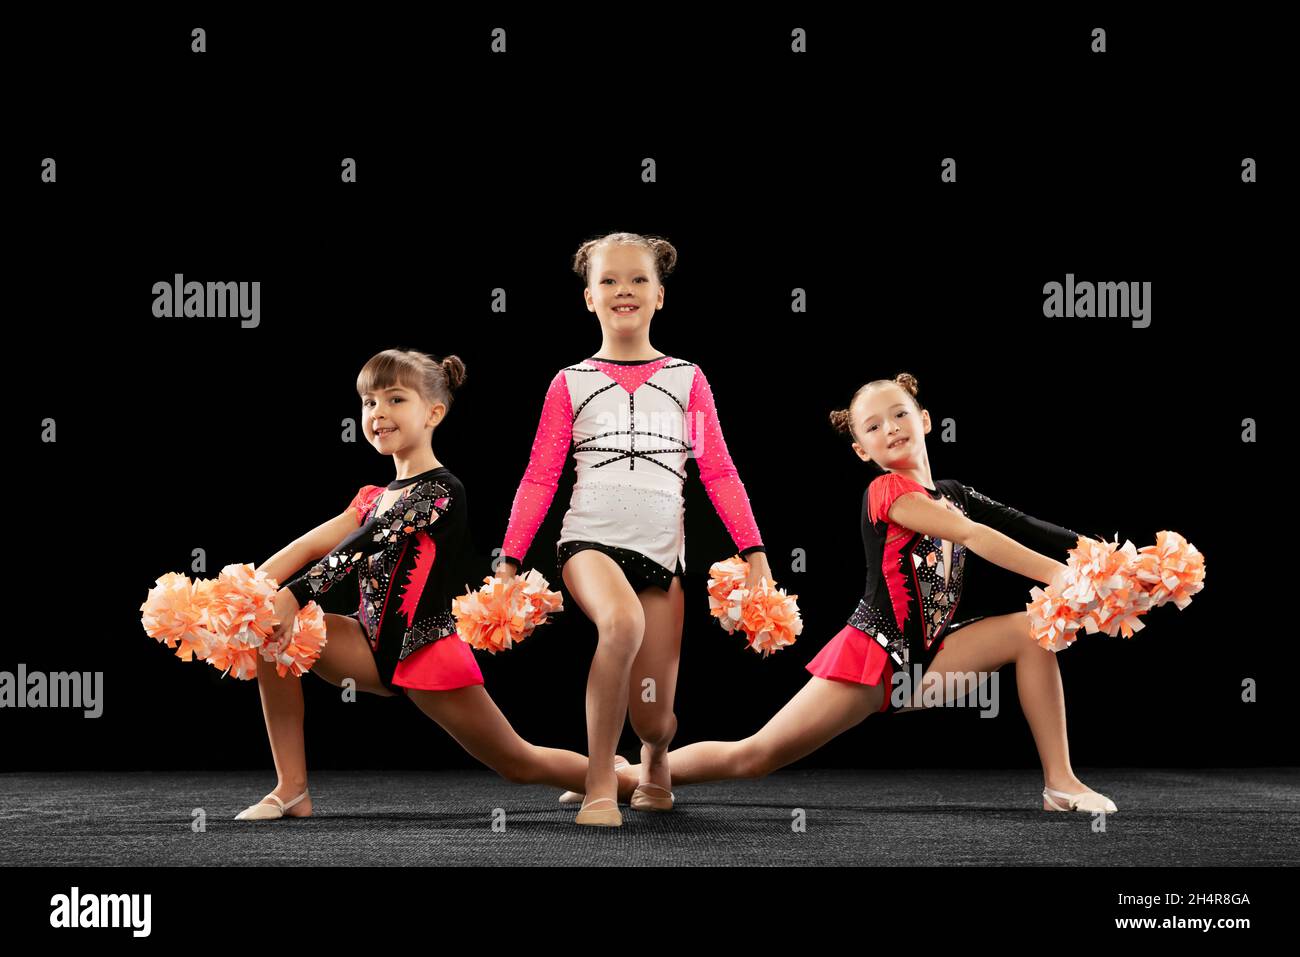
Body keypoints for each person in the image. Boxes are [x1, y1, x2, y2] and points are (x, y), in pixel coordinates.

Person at [618, 372, 1120, 814]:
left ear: (924, 420)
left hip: (929, 659)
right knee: (754, 757)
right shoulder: (887, 491)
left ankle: (1061, 784)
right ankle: (612, 778)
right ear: (862, 449)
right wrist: (1063, 576)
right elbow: (973, 536)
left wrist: (1108, 557)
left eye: (899, 414)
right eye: (874, 426)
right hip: (873, 659)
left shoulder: (954, 493)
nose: (891, 428)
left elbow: (1021, 522)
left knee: (1031, 635)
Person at [237, 348, 638, 820]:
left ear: (434, 412)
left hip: (424, 651)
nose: (378, 413)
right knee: (271, 636)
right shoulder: (370, 498)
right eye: (368, 403)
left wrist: (293, 595)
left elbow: (362, 545)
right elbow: (306, 547)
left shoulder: (442, 491)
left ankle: (619, 777)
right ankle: (292, 789)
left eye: (395, 399)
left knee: (518, 762)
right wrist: (248, 592)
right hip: (364, 646)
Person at [496, 232, 771, 826]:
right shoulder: (568, 382)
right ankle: (599, 783)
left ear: (661, 296)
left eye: (639, 280)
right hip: (588, 540)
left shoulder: (687, 379)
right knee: (619, 623)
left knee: (656, 715)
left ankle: (650, 759)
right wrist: (510, 558)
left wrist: (754, 550)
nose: (624, 290)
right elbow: (540, 478)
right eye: (609, 281)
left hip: (662, 555)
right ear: (589, 298)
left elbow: (718, 470)